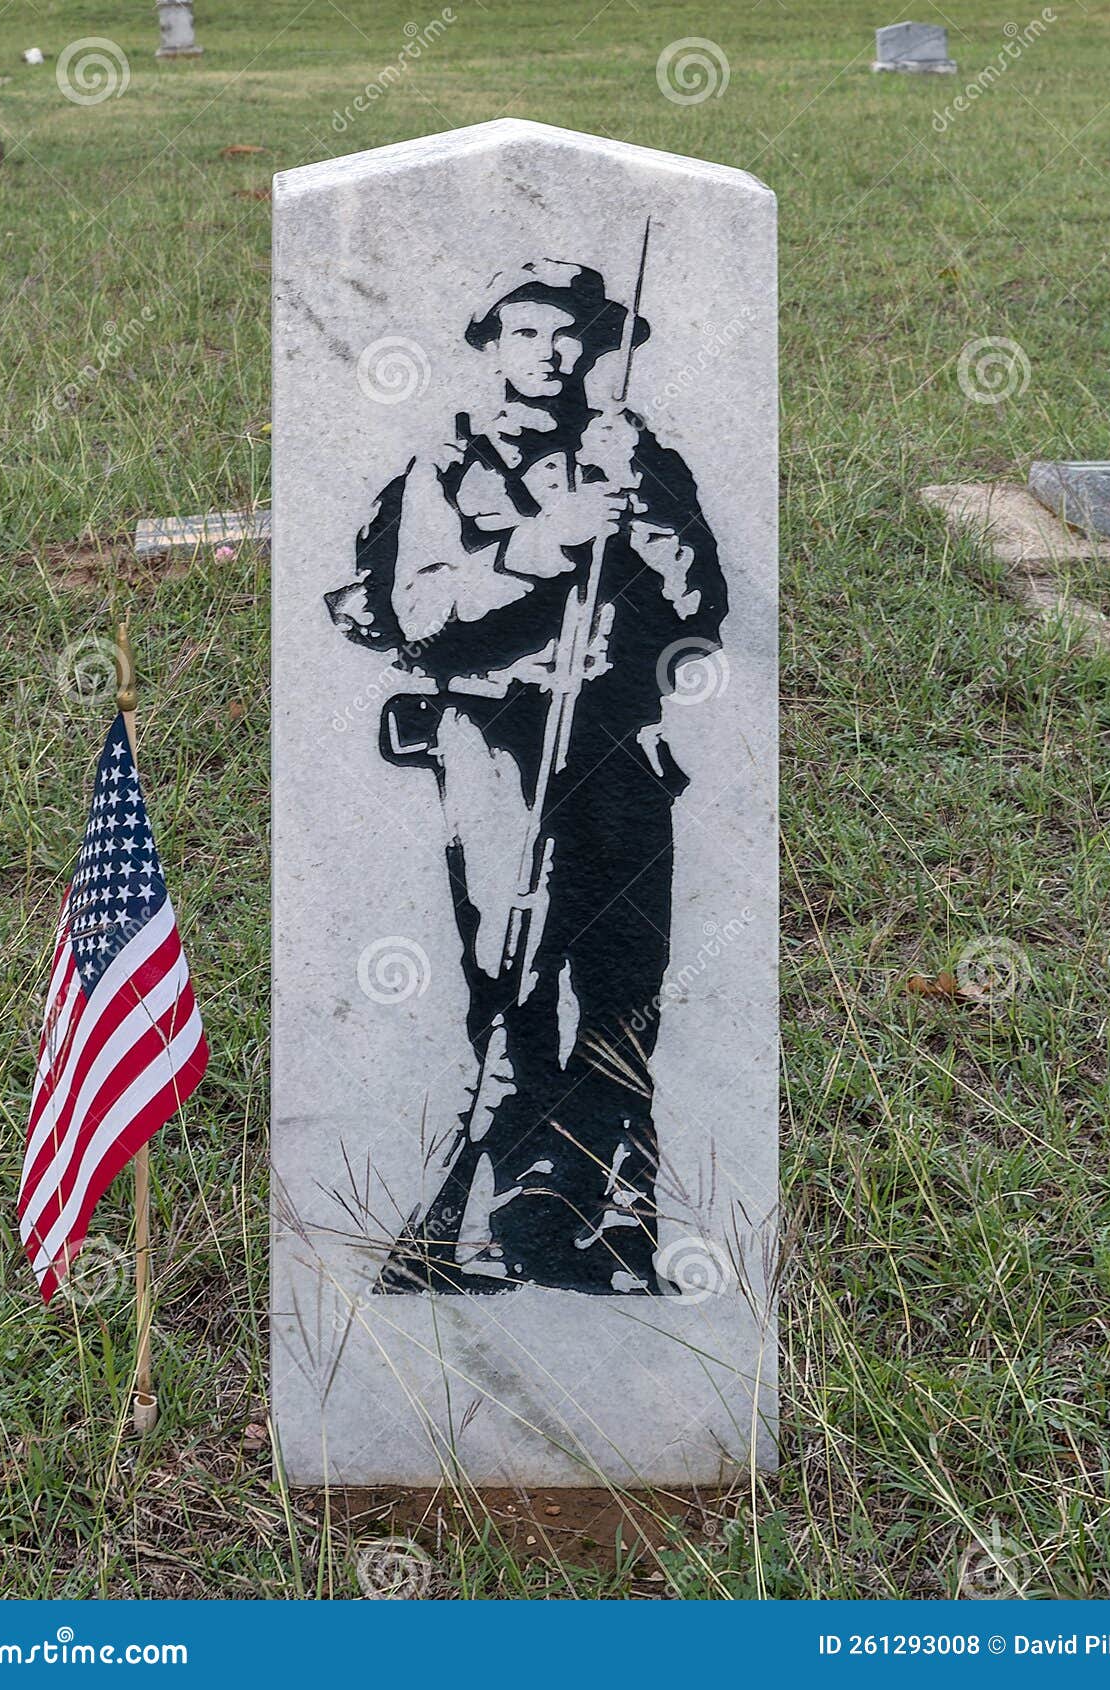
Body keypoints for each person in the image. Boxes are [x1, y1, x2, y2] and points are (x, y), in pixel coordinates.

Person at [326, 257, 727, 1294]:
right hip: (499, 740)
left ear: (595, 348)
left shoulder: (637, 457)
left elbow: (701, 609)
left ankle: (614, 1217)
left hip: (616, 741)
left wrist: (642, 509)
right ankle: (492, 1222)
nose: (551, 353)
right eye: (528, 332)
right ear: (494, 345)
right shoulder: (447, 470)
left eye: (571, 334)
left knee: (624, 980)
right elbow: (420, 611)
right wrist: (545, 540)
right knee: (514, 972)